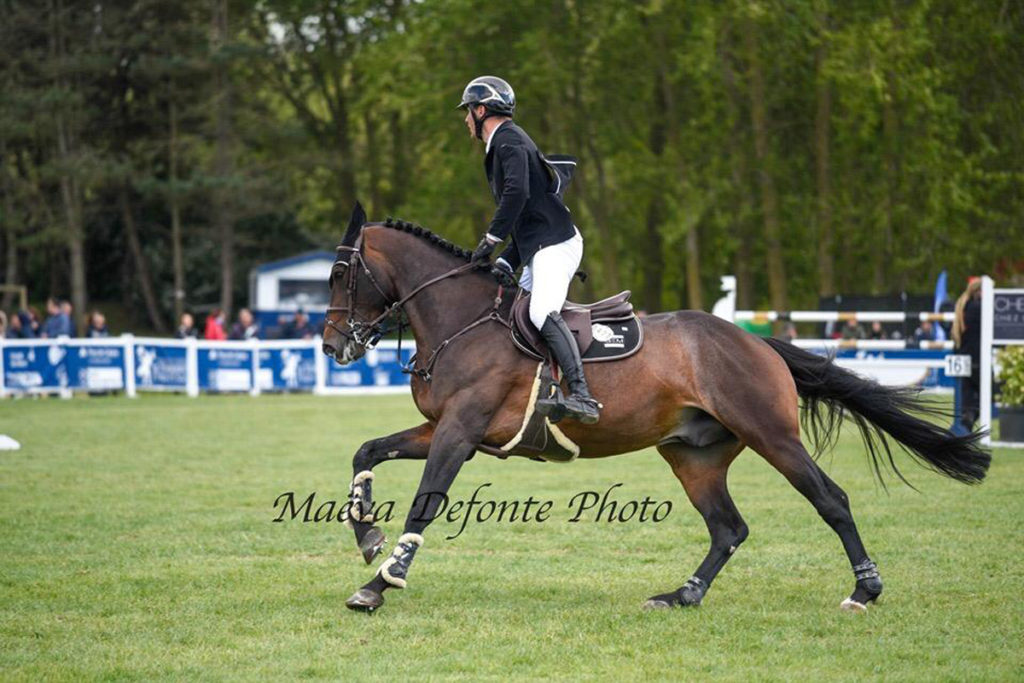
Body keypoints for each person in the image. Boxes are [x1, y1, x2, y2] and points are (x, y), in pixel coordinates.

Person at [458, 75, 600, 424]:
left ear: (481, 110)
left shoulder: (507, 141)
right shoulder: (503, 144)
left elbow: (517, 195)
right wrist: (507, 259)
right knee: (507, 310)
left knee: (540, 313)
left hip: (556, 244)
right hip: (539, 245)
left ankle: (582, 395)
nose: (464, 120)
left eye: (467, 112)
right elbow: (525, 217)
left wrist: (492, 239)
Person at [952, 278, 982, 433]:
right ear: (978, 291)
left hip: (963, 356)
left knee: (968, 395)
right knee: (988, 394)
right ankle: (970, 417)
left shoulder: (962, 306)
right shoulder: (979, 307)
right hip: (977, 357)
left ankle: (967, 419)